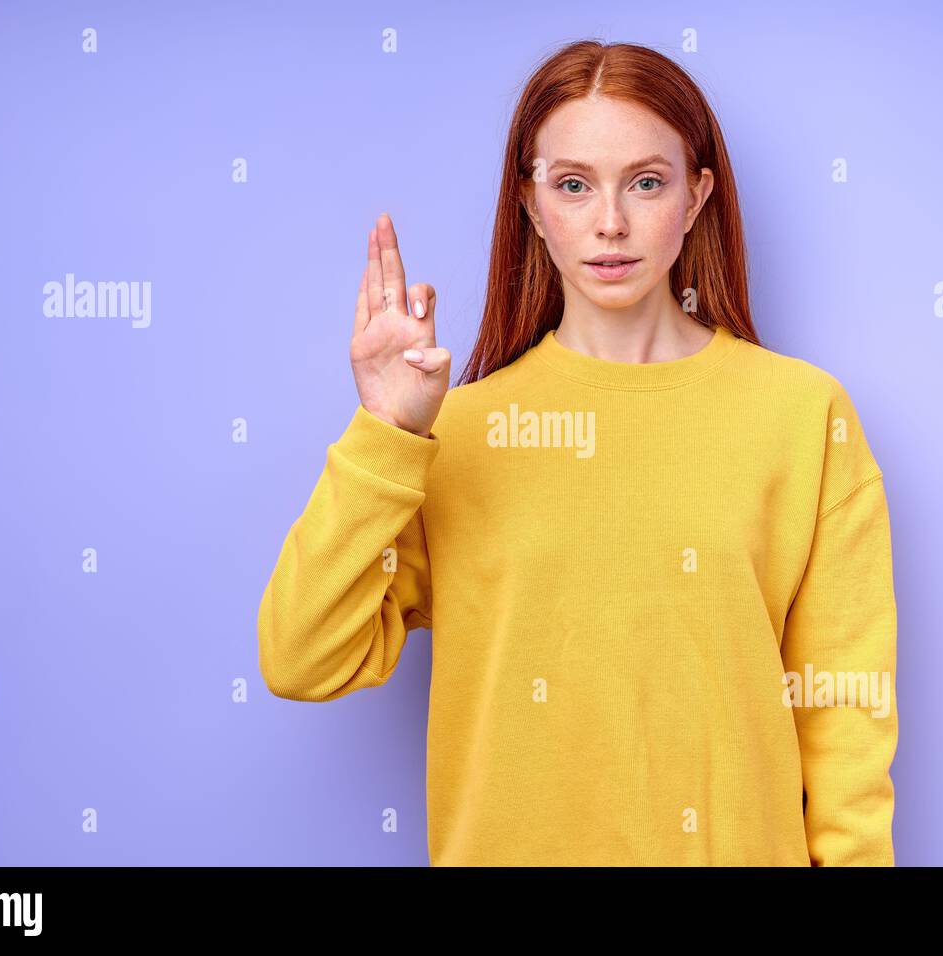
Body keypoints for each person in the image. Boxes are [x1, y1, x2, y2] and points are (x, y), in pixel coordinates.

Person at [257, 39, 898, 866]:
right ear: (529, 203)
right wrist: (388, 434)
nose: (610, 223)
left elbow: (846, 731)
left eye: (646, 181)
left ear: (697, 195)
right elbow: (301, 659)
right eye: (572, 184)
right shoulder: (453, 435)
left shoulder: (803, 417)